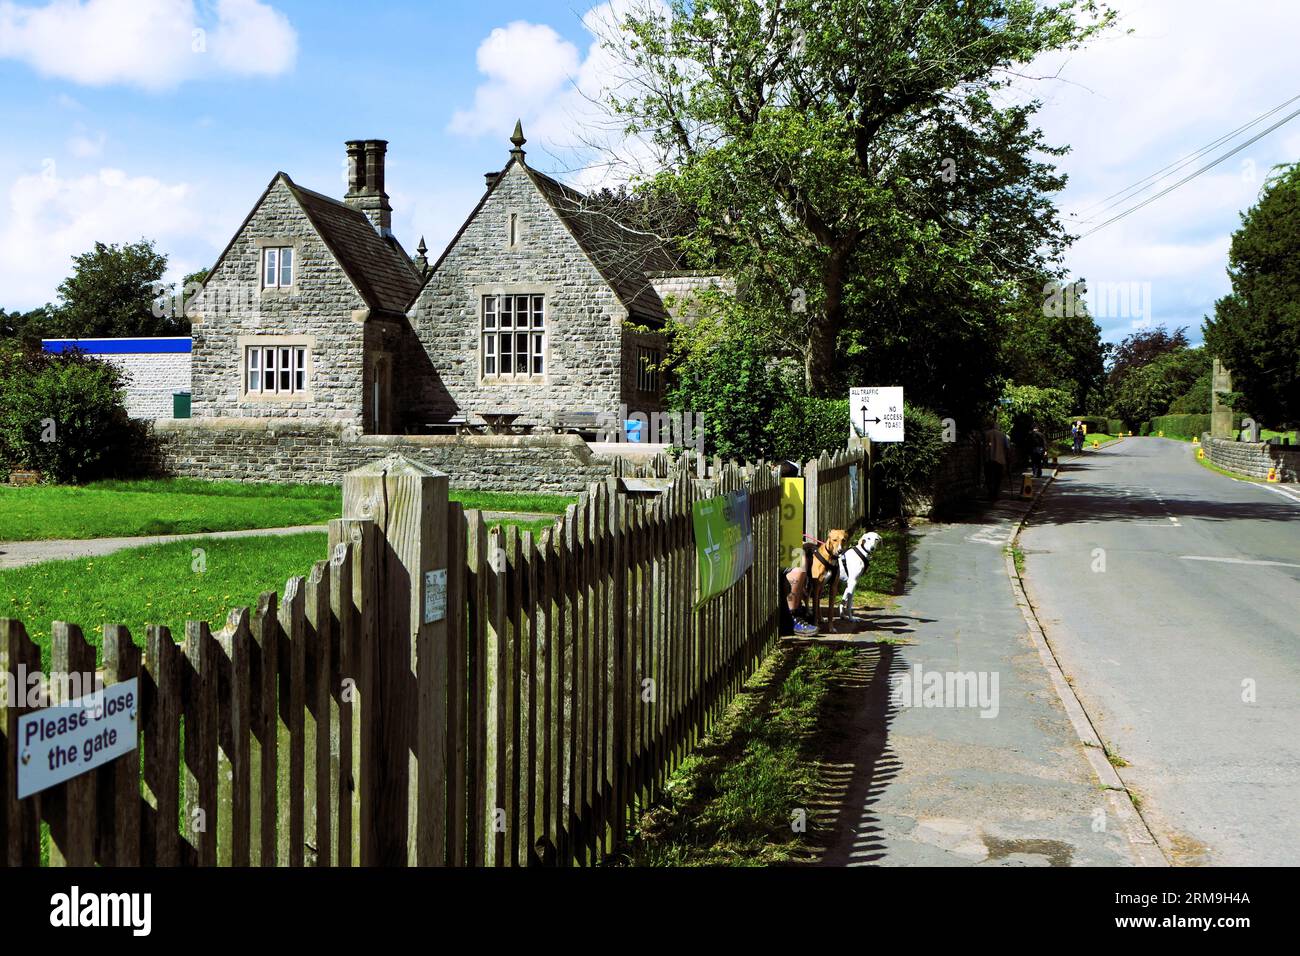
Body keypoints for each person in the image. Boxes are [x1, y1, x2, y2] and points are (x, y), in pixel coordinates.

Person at [984, 419, 1010, 500]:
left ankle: (990, 493)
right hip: (999, 460)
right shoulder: (1003, 435)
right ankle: (995, 494)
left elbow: (983, 446)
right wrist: (1008, 458)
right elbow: (1007, 447)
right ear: (998, 427)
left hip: (989, 459)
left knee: (988, 477)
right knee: (997, 478)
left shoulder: (986, 434)